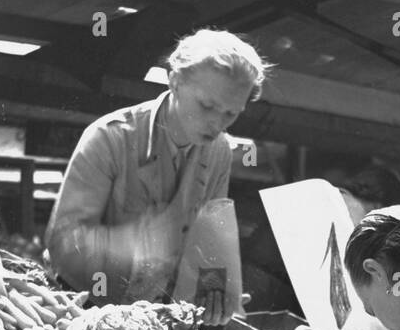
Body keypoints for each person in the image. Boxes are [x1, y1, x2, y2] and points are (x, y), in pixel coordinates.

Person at [46, 29, 268, 305]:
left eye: (231, 113)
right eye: (207, 105)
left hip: (155, 315)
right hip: (84, 304)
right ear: (174, 80)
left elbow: (211, 237)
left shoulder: (220, 151)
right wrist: (134, 243)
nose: (217, 123)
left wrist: (214, 288)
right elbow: (63, 244)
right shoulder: (109, 136)